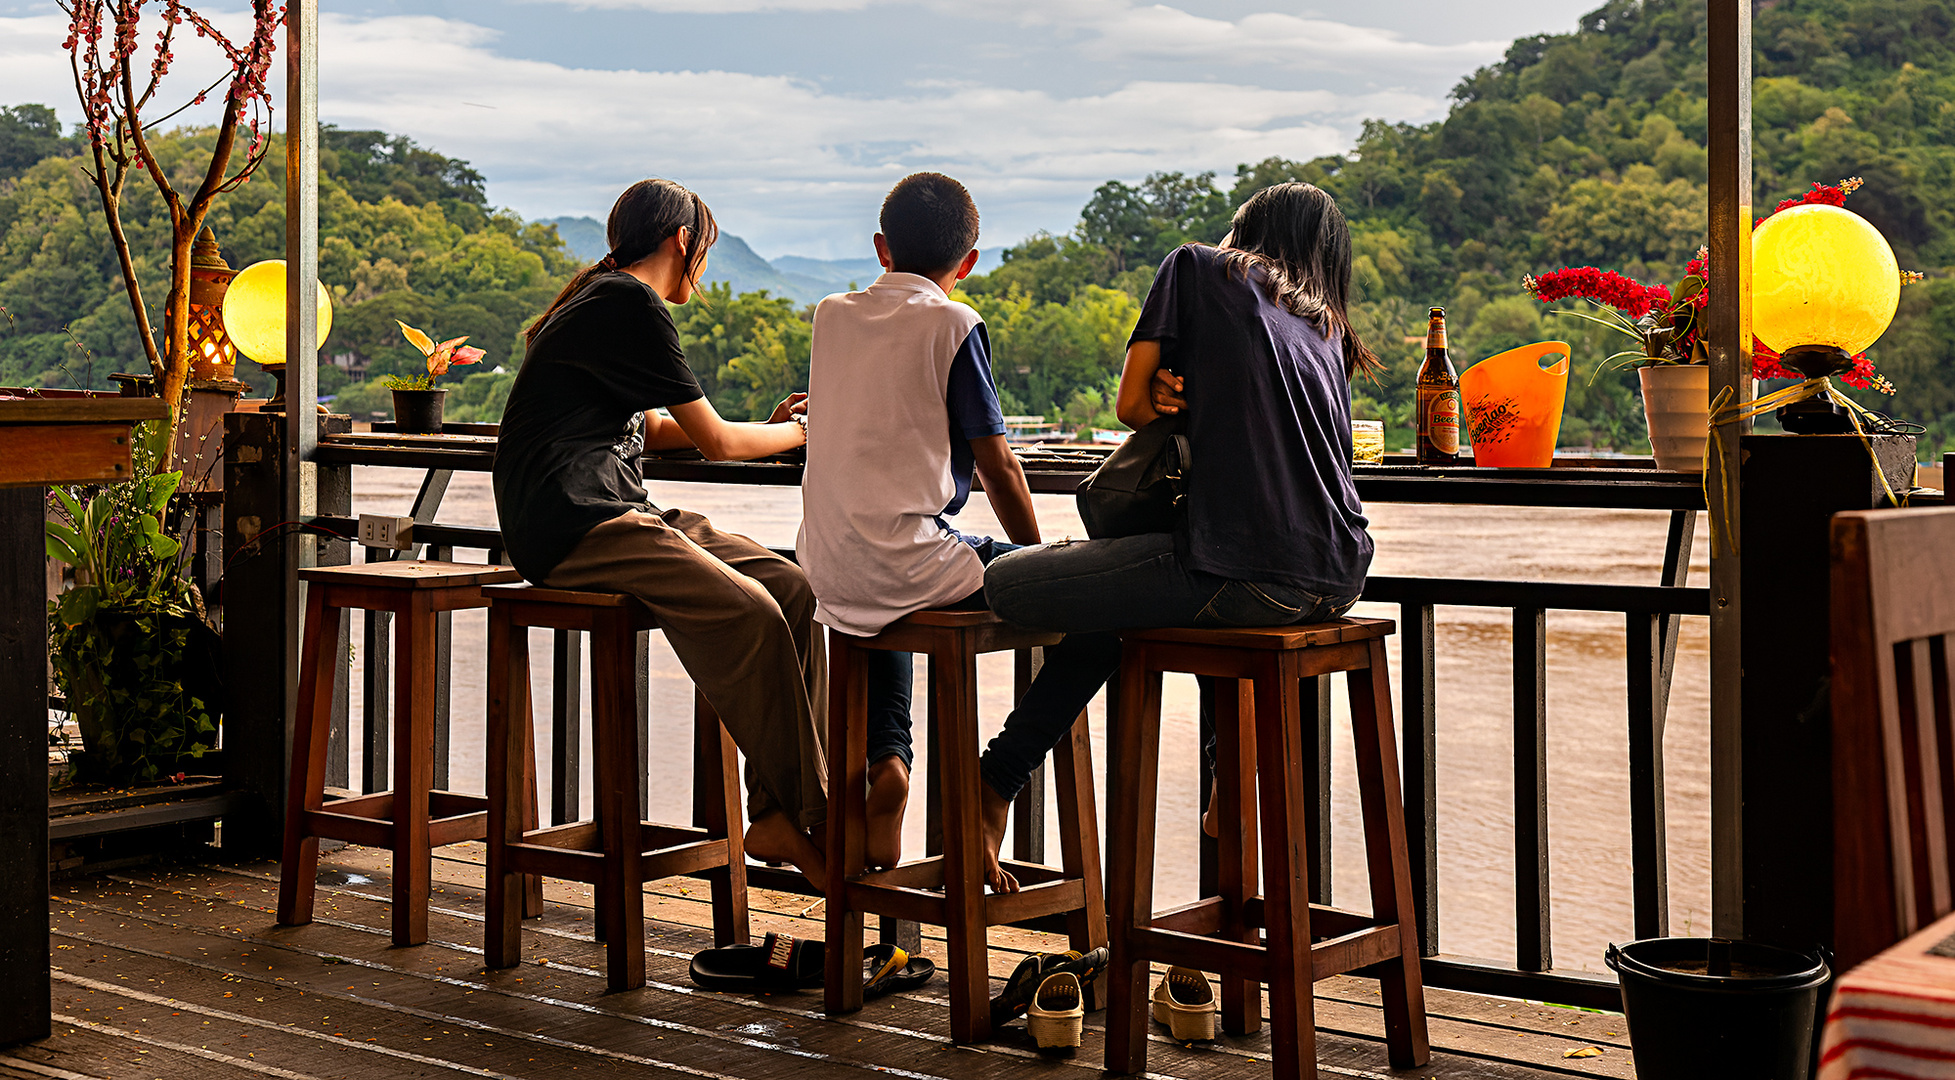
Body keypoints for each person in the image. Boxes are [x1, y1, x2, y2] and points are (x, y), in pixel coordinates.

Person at [980, 180, 1380, 884]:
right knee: (1126, 605)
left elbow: (1132, 404)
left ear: (1246, 229)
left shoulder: (1199, 267)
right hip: (1337, 578)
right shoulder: (1325, 331)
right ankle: (1229, 774)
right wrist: (1187, 393)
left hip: (1246, 572)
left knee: (1004, 581)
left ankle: (994, 781)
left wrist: (1163, 394)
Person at [492, 178, 829, 889]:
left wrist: (772, 430)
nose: (701, 267)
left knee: (791, 588)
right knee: (752, 610)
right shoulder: (626, 301)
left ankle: (774, 811)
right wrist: (798, 432)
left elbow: (654, 430)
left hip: (613, 508)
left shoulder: (603, 296)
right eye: (702, 249)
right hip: (574, 521)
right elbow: (716, 444)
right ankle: (813, 816)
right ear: (682, 241)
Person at [796, 172, 1041, 873]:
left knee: (888, 581)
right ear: (966, 263)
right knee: (920, 557)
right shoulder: (954, 322)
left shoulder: (830, 315)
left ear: (881, 248)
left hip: (827, 563)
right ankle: (997, 775)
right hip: (909, 557)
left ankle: (889, 758)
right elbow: (998, 466)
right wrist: (1038, 560)